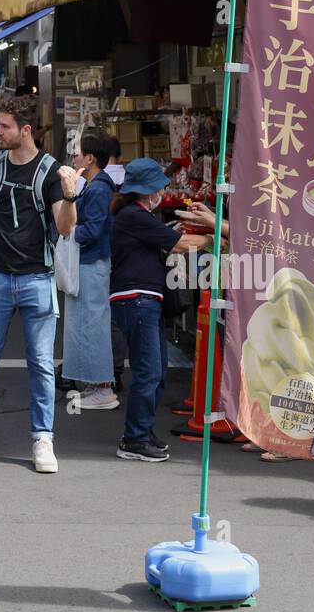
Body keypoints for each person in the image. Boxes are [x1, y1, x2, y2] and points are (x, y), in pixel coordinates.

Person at [0, 97, 79, 473]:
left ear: (25, 130)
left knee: (41, 362)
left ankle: (43, 437)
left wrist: (71, 195)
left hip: (37, 279)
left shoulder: (51, 171)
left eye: (5, 126)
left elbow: (65, 227)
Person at [110, 159, 209, 463]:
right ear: (149, 190)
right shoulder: (134, 216)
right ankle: (134, 438)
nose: (164, 191)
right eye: (160, 186)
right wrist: (216, 233)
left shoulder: (137, 215)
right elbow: (182, 245)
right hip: (137, 299)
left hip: (142, 300)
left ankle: (142, 432)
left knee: (156, 372)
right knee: (148, 371)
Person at [61, 132, 118, 410]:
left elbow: (93, 229)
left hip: (91, 261)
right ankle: (97, 385)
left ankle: (103, 388)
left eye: (77, 153)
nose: (74, 157)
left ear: (90, 158)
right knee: (88, 323)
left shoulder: (97, 188)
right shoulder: (95, 185)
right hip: (90, 261)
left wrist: (70, 232)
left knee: (91, 324)